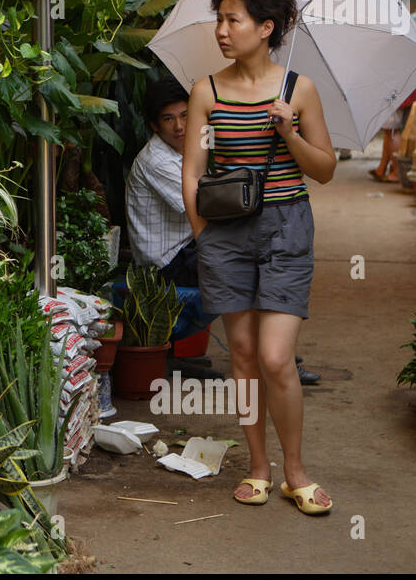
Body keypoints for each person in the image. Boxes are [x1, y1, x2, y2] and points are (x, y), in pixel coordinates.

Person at [181, 0, 336, 515]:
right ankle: (259, 467)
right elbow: (193, 172)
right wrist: (204, 237)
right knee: (243, 357)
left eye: (234, 20)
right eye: (219, 19)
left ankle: (295, 471)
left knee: (275, 358)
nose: (222, 31)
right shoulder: (206, 91)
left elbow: (326, 170)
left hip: (286, 228)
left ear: (266, 28)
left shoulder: (300, 89)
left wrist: (290, 132)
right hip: (225, 233)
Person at [126, 77, 321, 384]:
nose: (179, 126)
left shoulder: (183, 150)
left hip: (186, 250)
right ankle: (278, 362)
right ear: (154, 126)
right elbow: (206, 207)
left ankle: (276, 358)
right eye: (168, 119)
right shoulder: (156, 160)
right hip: (169, 263)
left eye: (184, 115)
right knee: (251, 270)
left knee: (255, 258)